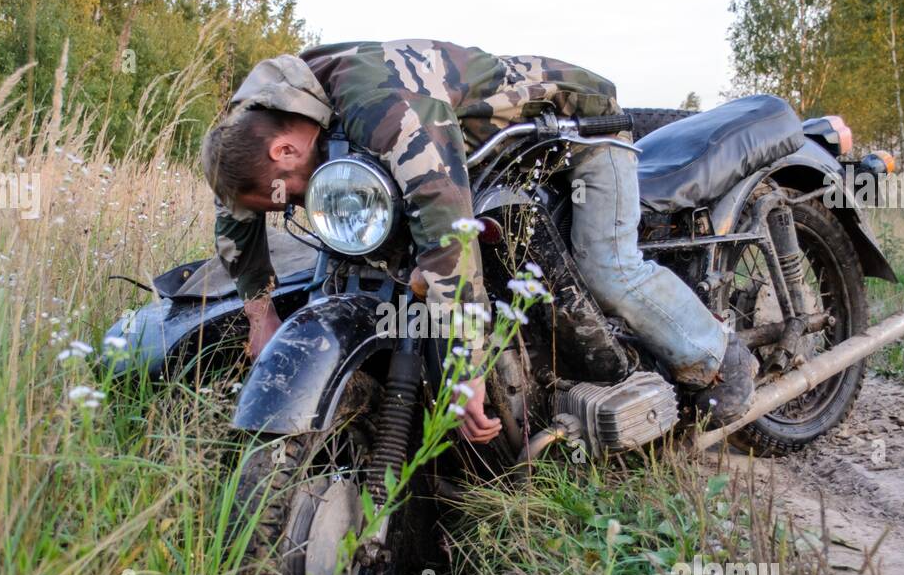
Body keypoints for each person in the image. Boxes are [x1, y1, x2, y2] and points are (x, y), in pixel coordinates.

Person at [201, 39, 756, 443]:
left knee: (609, 268)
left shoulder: (383, 109)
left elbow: (447, 226)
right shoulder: (262, 113)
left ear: (284, 154)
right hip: (502, 151)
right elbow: (238, 210)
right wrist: (260, 314)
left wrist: (467, 373)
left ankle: (719, 357)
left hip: (579, 130)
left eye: (289, 196)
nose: (294, 204)